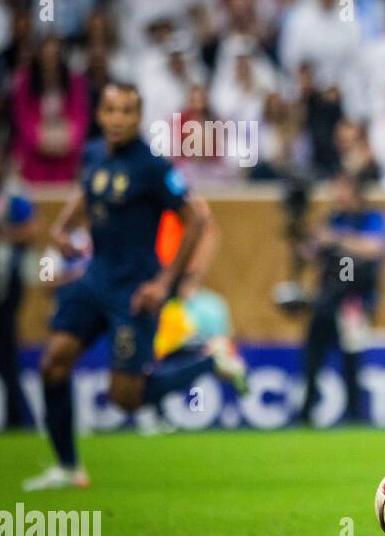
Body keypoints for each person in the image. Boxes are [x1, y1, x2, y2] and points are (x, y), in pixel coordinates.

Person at [23, 83, 247, 491]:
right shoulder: (92, 154)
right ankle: (68, 467)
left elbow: (196, 219)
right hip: (94, 279)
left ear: (138, 116)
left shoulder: (153, 167)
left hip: (136, 289)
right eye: (111, 110)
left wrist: (166, 281)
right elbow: (87, 191)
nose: (118, 118)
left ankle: (210, 360)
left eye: (127, 111)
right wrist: (62, 227)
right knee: (52, 363)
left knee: (126, 397)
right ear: (100, 115)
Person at [299, 171, 385, 426]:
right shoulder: (333, 219)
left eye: (343, 189)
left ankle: (355, 415)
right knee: (313, 358)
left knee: (352, 360)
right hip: (326, 299)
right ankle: (306, 413)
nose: (338, 195)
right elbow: (309, 254)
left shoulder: (373, 218)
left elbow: (375, 248)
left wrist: (335, 239)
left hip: (354, 301)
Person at [0, 154, 37, 430]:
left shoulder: (14, 195)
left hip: (6, 284)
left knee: (7, 355)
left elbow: (33, 230)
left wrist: (5, 235)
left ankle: (17, 420)